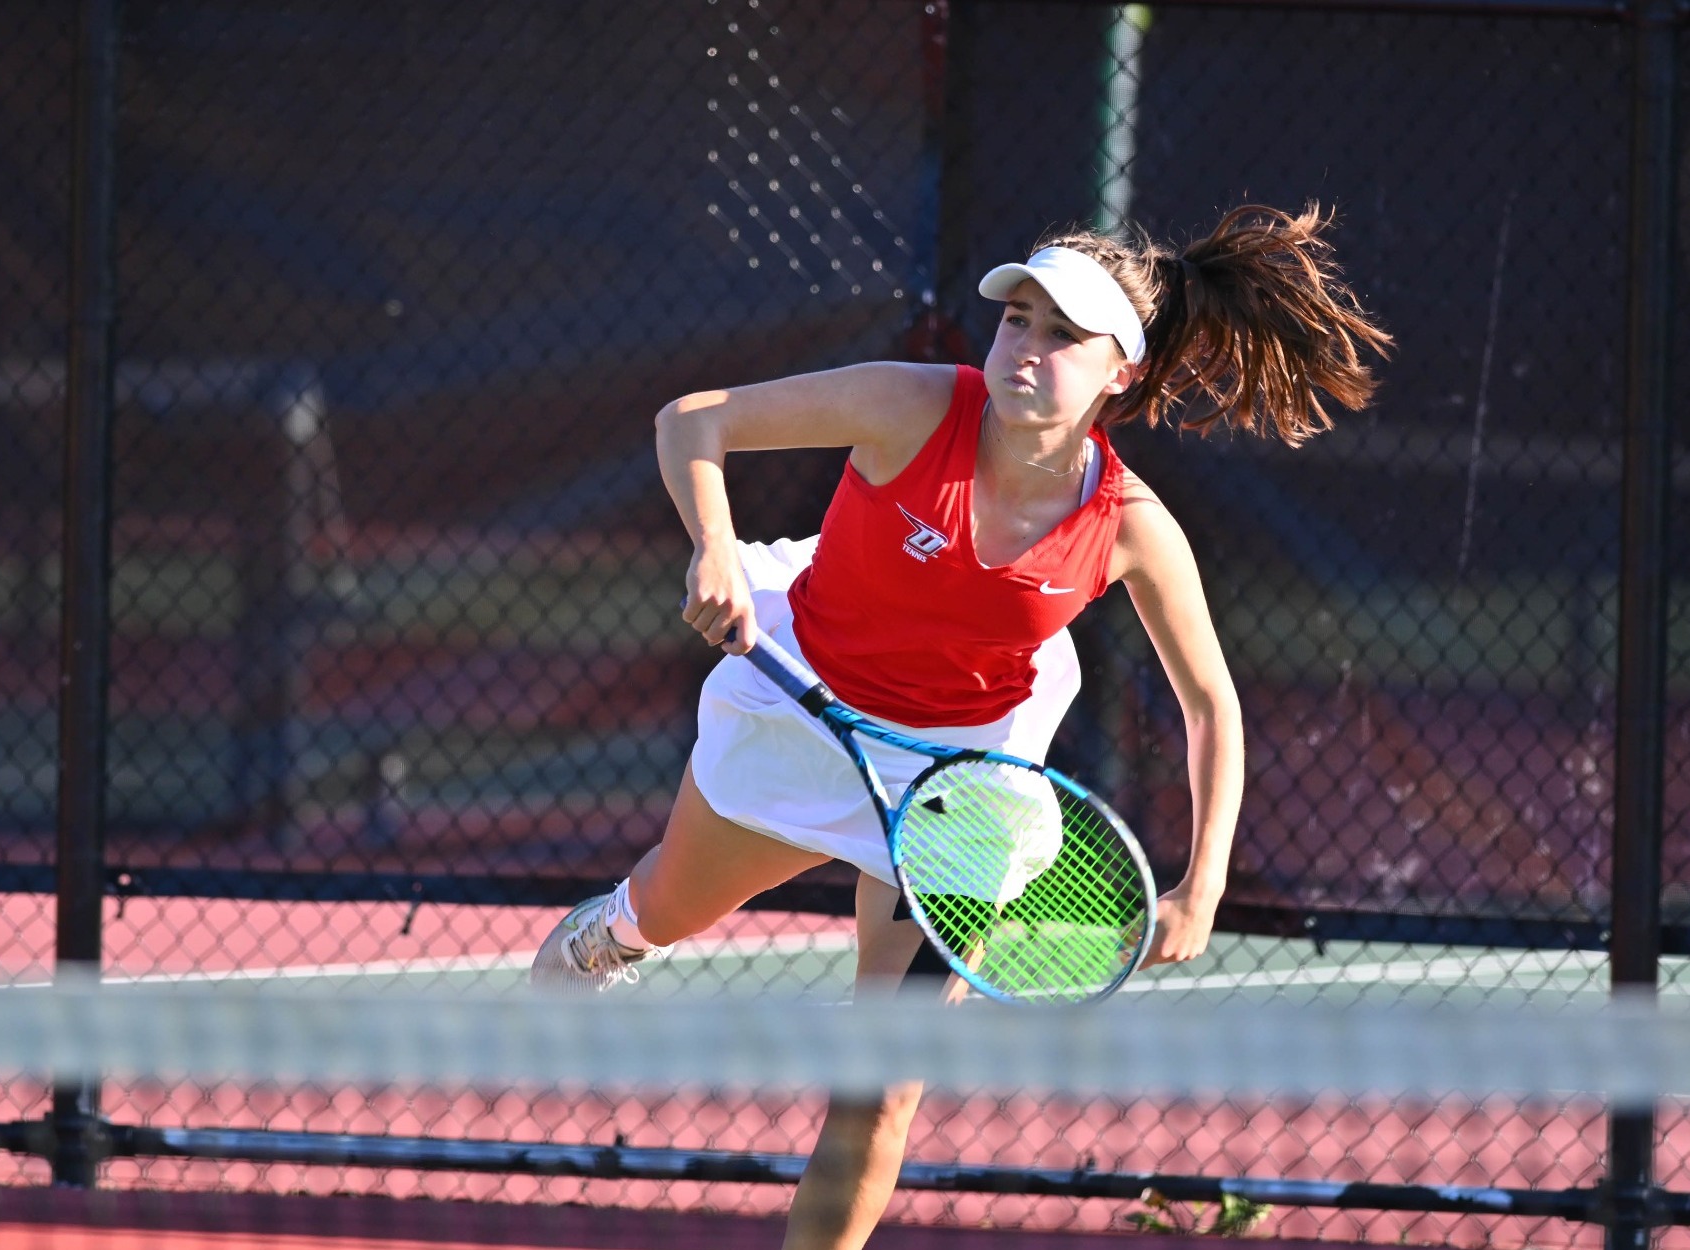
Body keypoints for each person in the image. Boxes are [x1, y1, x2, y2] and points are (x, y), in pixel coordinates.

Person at [530, 203, 1392, 1250]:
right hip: (804, 699)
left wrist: (1202, 885)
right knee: (672, 902)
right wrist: (713, 546)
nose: (1025, 346)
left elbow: (1211, 703)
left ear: (1118, 371)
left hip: (960, 779)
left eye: (1062, 333)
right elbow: (691, 420)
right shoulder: (911, 405)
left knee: (883, 1088)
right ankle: (613, 931)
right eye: (1016, 318)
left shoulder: (1130, 527)